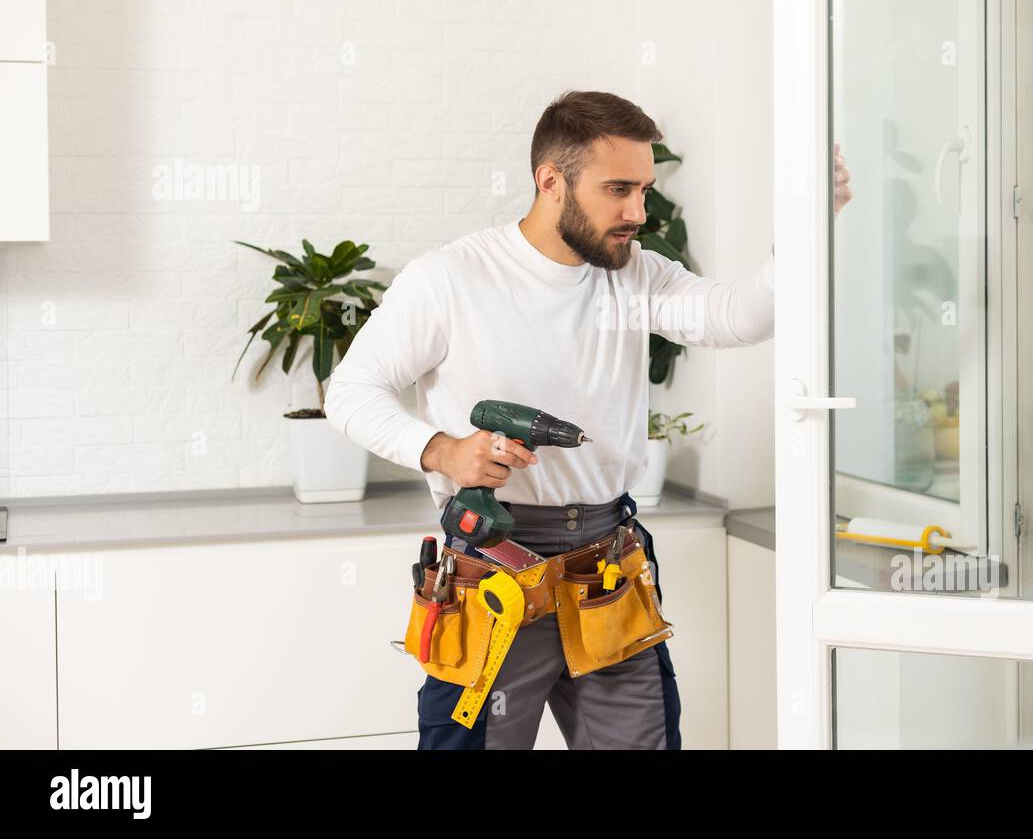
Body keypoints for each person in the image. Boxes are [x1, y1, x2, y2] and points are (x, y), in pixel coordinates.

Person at [324, 90, 851, 749]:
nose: (638, 212)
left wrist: (803, 235)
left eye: (645, 190)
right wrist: (441, 449)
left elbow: (739, 315)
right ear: (551, 182)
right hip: (494, 575)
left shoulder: (635, 276)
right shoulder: (451, 279)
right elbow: (349, 390)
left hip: (607, 571)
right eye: (618, 190)